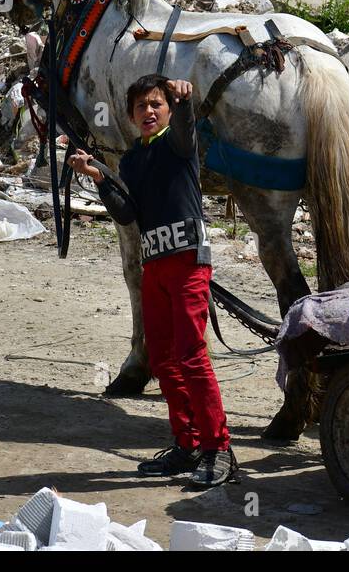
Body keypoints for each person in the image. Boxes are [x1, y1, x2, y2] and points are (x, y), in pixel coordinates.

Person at [68, 73, 236, 487]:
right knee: (162, 359)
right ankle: (189, 445)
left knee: (192, 355)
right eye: (141, 106)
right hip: (155, 267)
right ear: (130, 116)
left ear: (166, 111)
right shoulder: (131, 160)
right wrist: (100, 178)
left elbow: (185, 127)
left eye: (156, 104)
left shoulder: (178, 145)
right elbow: (127, 214)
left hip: (187, 264)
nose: (148, 111)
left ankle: (219, 450)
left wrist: (183, 101)